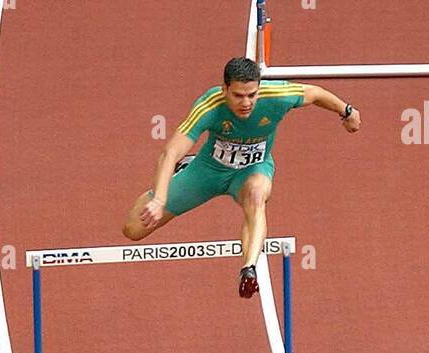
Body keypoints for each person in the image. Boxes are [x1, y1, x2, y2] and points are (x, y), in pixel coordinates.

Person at [122, 56, 361, 299]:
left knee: (256, 196)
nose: (246, 103)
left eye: (251, 95)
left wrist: (347, 111)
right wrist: (159, 200)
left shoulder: (277, 95)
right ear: (224, 88)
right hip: (208, 170)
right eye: (238, 95)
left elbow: (315, 93)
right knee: (133, 229)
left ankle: (248, 269)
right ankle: (186, 168)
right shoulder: (209, 104)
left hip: (253, 170)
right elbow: (170, 153)